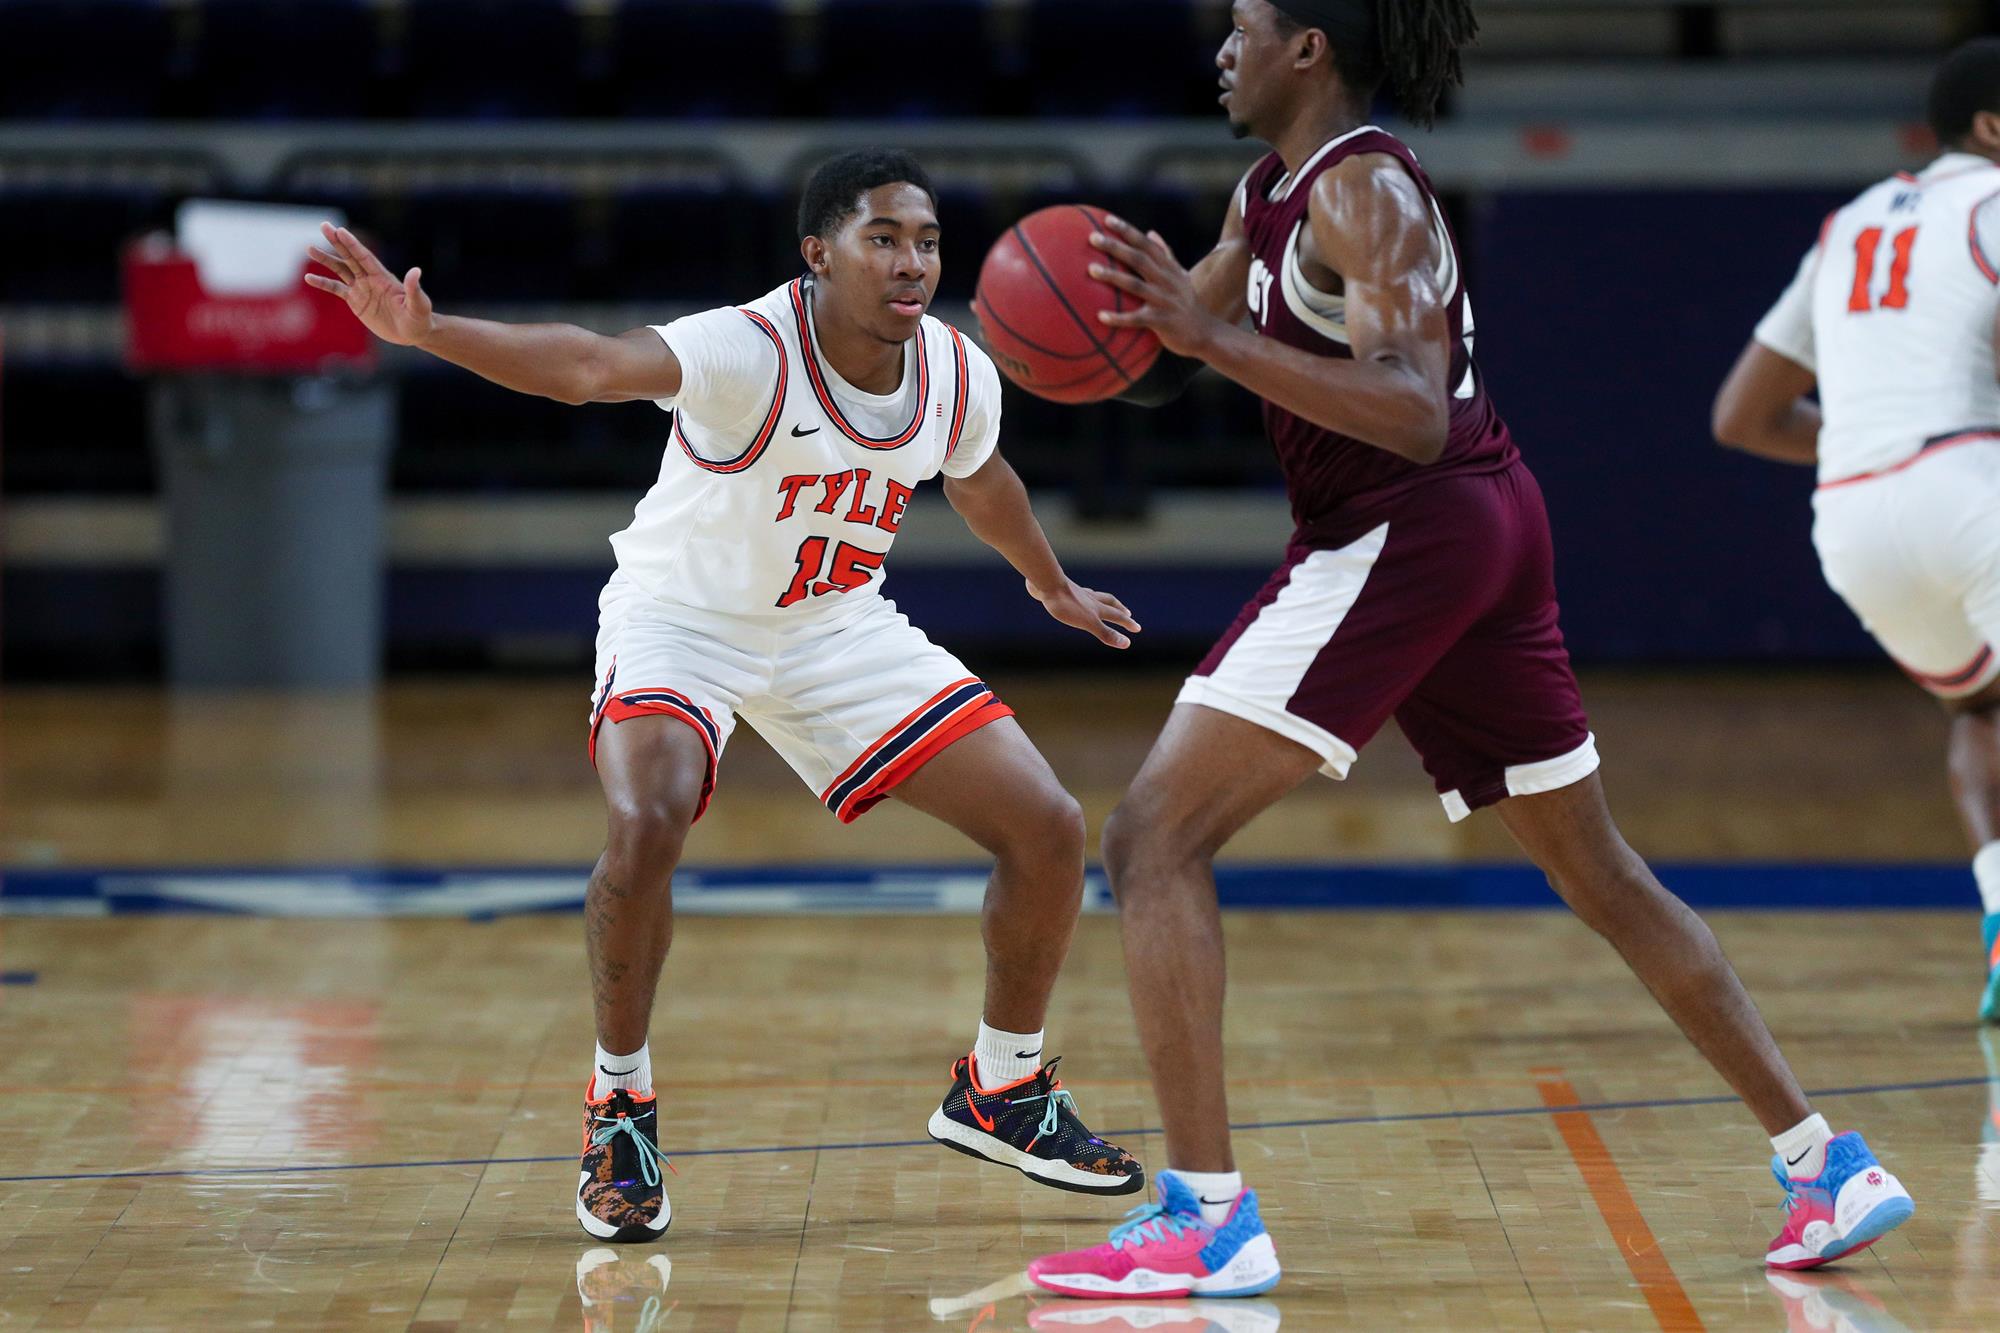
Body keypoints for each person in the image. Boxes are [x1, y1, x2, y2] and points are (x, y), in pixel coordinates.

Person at [1025, 0, 1913, 1298]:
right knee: (1597, 871)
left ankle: (1206, 1219)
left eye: (1246, 22)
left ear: (1309, 48)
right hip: (1473, 523)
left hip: (1410, 522)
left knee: (1151, 839)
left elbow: (1411, 410)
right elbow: (1168, 354)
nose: (1220, 47)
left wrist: (1212, 336)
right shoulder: (1264, 194)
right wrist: (1100, 326)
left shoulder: (1362, 191)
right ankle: (1826, 1161)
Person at [307, 149, 1146, 1243]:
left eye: (927, 241)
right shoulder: (747, 348)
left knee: (1047, 827)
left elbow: (980, 477)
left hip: (832, 626)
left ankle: (1003, 1088)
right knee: (647, 820)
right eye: (883, 239)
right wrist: (428, 332)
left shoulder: (953, 369)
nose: (912, 262)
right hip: (683, 620)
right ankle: (620, 1102)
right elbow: (587, 366)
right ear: (818, 254)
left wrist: (1049, 582)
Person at [1715, 37, 2000, 1026]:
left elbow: (1741, 416)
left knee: (1981, 710)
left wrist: (1873, 442)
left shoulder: (1850, 224)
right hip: (1969, 483)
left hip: (1851, 517)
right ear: (1991, 127)